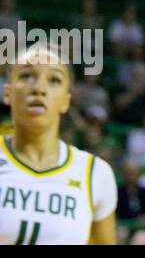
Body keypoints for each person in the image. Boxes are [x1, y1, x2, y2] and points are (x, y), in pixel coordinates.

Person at [0, 45, 117, 243]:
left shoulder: (95, 173)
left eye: (54, 80)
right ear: (8, 94)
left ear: (66, 101)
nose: (39, 89)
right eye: (26, 76)